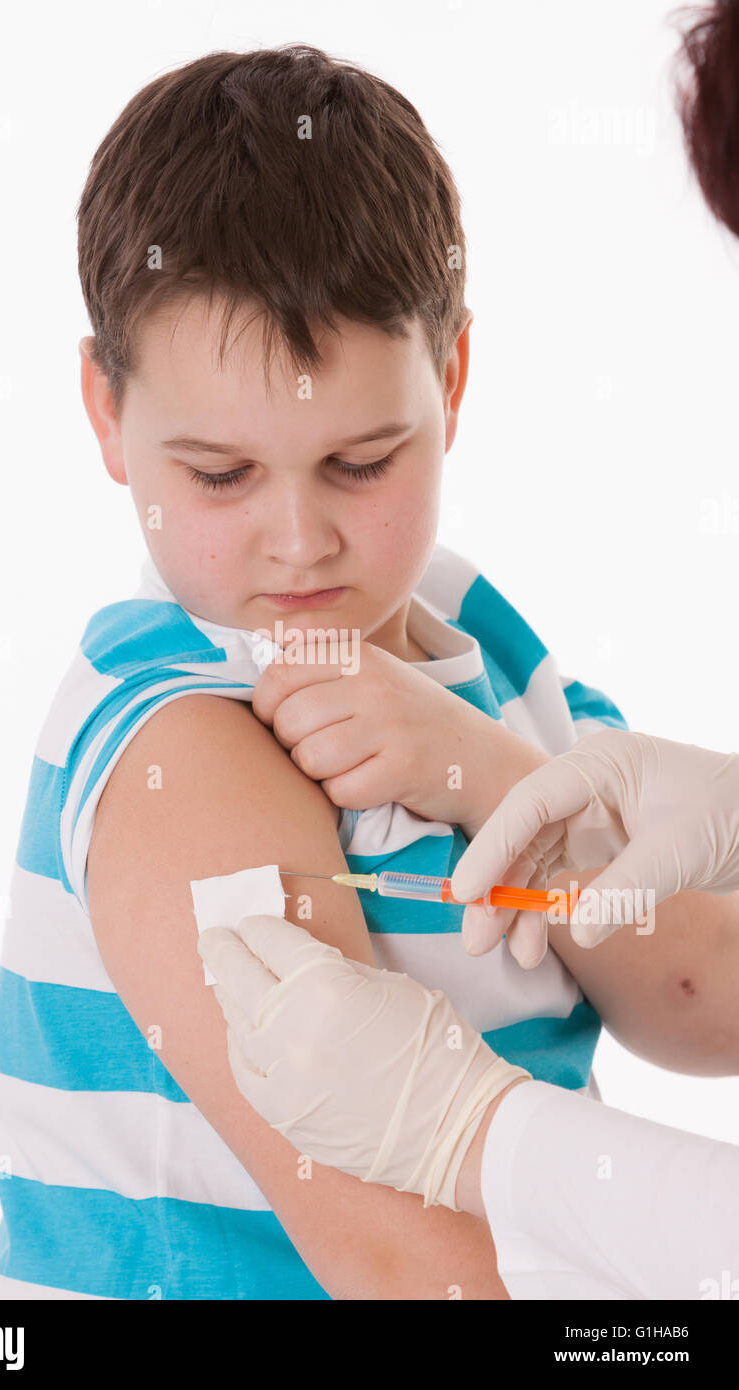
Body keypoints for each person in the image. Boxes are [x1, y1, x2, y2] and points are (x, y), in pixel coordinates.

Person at [198, 0, 739, 1299]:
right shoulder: (180, 713)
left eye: (362, 461)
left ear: (449, 380)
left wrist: (470, 1131)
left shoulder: (501, 671)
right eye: (216, 471)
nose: (295, 543)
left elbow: (704, 990)